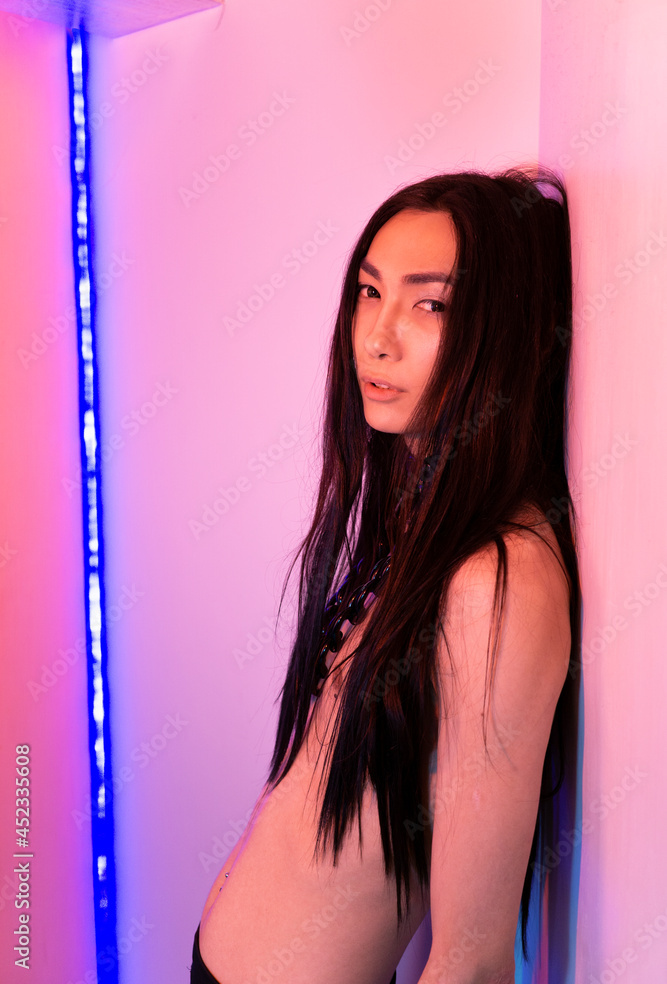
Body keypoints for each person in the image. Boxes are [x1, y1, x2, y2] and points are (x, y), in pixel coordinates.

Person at [191, 167, 582, 984]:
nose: (377, 337)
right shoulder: (422, 515)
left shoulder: (497, 580)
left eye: (429, 305)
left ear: (503, 333)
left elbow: (471, 961)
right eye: (369, 293)